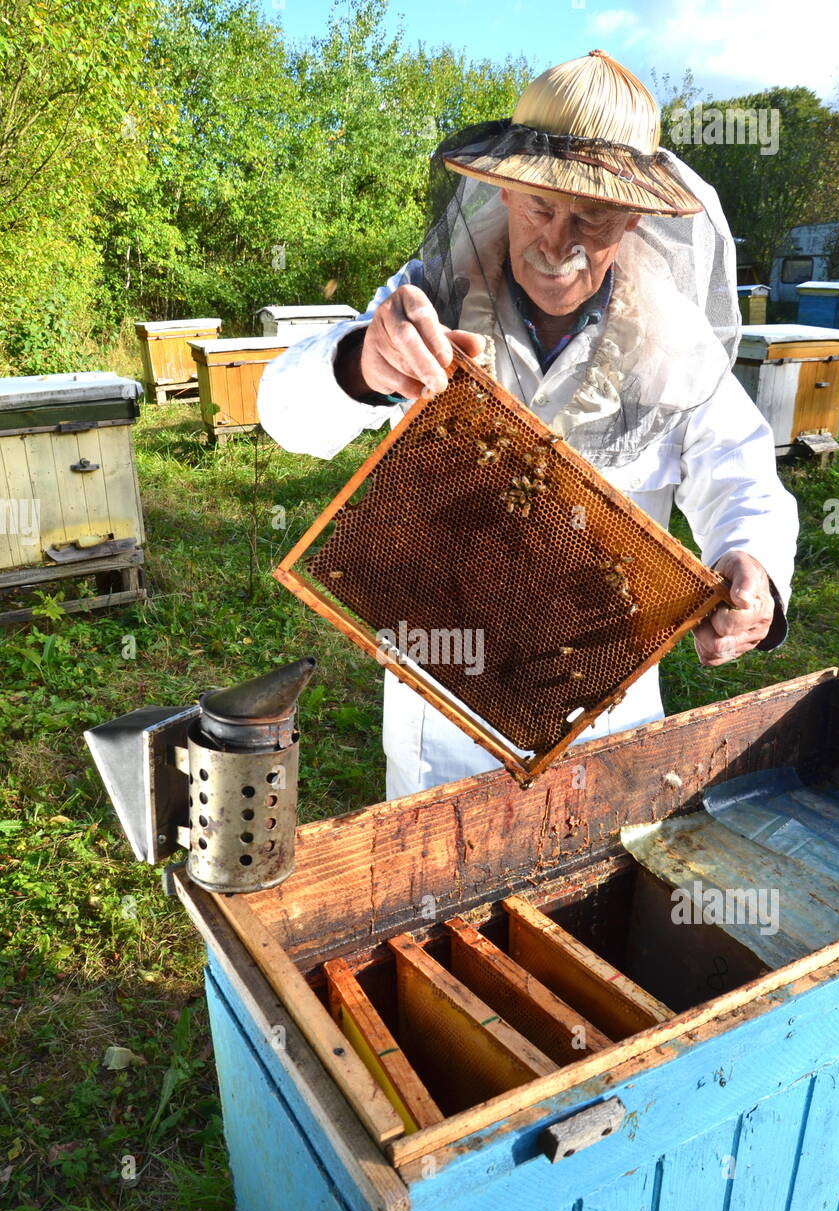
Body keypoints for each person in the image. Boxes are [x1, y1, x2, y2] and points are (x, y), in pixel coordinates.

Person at [258, 50, 798, 801]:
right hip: (442, 686)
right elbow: (282, 411)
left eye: (592, 216)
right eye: (539, 207)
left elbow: (741, 473)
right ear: (501, 192)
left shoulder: (674, 340)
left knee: (584, 887)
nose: (557, 243)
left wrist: (754, 566)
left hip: (601, 697)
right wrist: (363, 364)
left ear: (635, 217)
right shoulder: (433, 293)